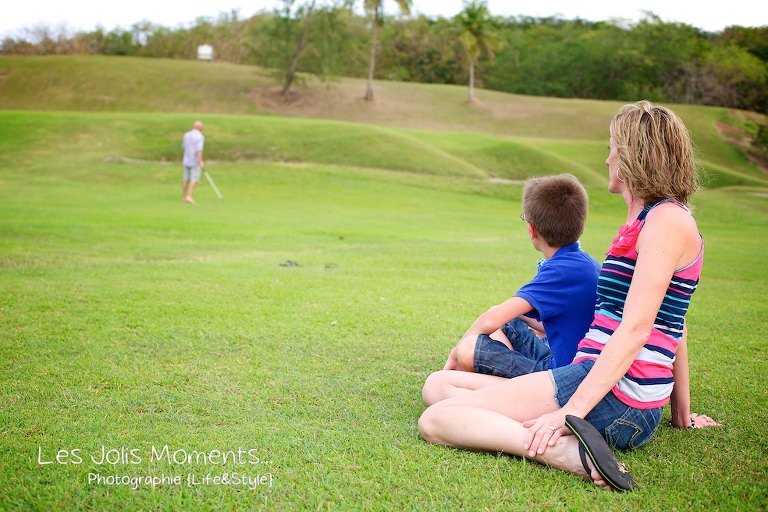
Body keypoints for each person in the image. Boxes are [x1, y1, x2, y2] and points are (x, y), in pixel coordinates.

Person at [418, 101, 719, 492]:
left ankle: (563, 452)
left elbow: (638, 329)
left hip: (615, 395)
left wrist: (569, 413)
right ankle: (547, 430)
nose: (607, 156)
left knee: (436, 420)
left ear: (630, 156)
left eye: (612, 146)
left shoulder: (666, 221)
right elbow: (673, 322)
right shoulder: (644, 221)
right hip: (593, 378)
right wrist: (681, 414)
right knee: (438, 386)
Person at [433, 175, 600, 397]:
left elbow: (491, 318)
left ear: (532, 230)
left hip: (560, 377)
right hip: (567, 364)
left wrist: (454, 354)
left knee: (468, 349)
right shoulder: (583, 264)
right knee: (510, 320)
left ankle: (508, 393)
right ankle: (500, 385)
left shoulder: (562, 271)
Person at [181, 121, 205, 204]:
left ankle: (183, 196)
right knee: (194, 179)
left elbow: (183, 147)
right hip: (194, 161)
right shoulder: (200, 136)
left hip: (186, 160)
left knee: (186, 179)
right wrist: (201, 161)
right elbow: (199, 150)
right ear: (201, 128)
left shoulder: (186, 134)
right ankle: (189, 196)